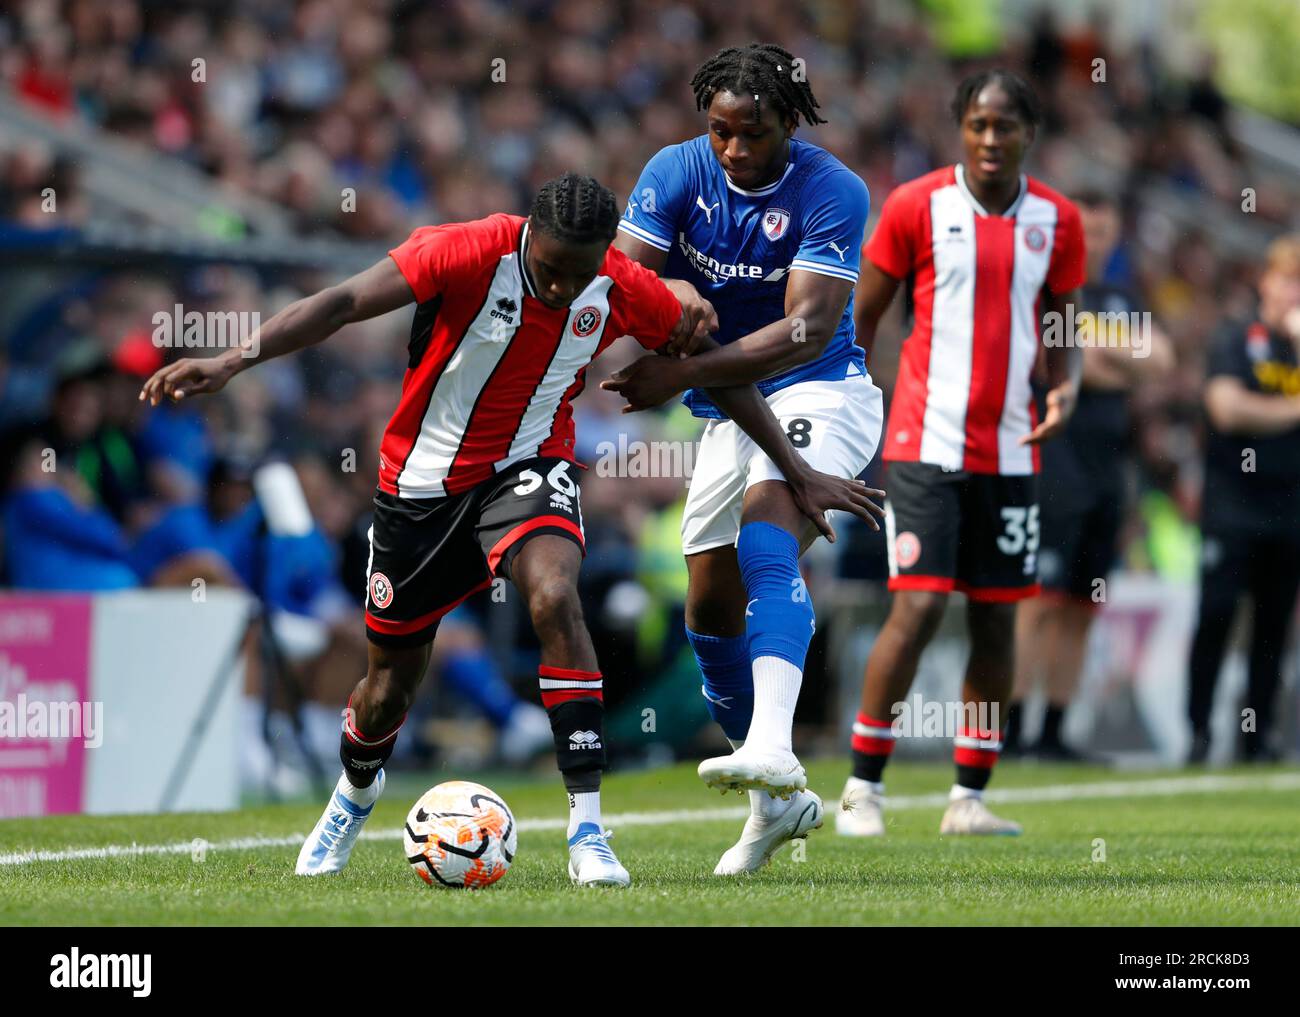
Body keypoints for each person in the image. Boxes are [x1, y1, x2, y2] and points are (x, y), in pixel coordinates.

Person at [139, 172, 880, 886]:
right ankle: (352, 798)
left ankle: (588, 829)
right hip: (419, 490)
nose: (563, 289)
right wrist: (233, 358)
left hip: (529, 466)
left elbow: (721, 374)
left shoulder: (620, 284)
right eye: (552, 270)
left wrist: (794, 466)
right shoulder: (462, 249)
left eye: (579, 274)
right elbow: (339, 302)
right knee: (386, 688)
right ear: (530, 236)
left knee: (557, 596)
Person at [606, 43, 886, 874]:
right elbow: (623, 276)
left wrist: (681, 367)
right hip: (729, 407)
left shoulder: (832, 188)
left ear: (789, 123)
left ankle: (773, 745)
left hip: (822, 388)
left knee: (768, 531)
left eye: (752, 133)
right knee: (707, 609)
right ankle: (776, 803)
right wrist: (674, 300)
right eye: (720, 131)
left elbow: (803, 329)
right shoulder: (675, 171)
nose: (733, 149)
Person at [837, 70, 1084, 837]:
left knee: (998, 619)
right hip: (925, 442)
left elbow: (1062, 324)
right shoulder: (916, 206)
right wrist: (858, 401)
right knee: (916, 605)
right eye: (976, 124)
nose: (988, 139)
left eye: (1003, 126)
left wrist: (1065, 387)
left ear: (1028, 135)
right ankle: (862, 790)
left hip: (1012, 450)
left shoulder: (1058, 220)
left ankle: (967, 797)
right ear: (961, 129)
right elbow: (863, 316)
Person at [1007, 190, 1173, 761]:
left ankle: (1053, 730)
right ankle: (1011, 730)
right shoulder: (1043, 289)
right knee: (1039, 599)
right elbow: (1056, 362)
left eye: (1106, 233)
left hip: (1110, 469)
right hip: (1055, 458)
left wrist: (1100, 355)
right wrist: (1118, 359)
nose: (1097, 244)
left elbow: (1163, 361)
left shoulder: (1122, 296)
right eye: (1088, 232)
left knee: (1082, 603)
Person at [1187, 233, 1300, 764]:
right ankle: (1199, 732)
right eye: (1290, 280)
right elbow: (1227, 409)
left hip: (1289, 512)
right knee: (1216, 617)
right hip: (1232, 510)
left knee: (1274, 627)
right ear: (1267, 282)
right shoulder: (1236, 337)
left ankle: (1257, 736)